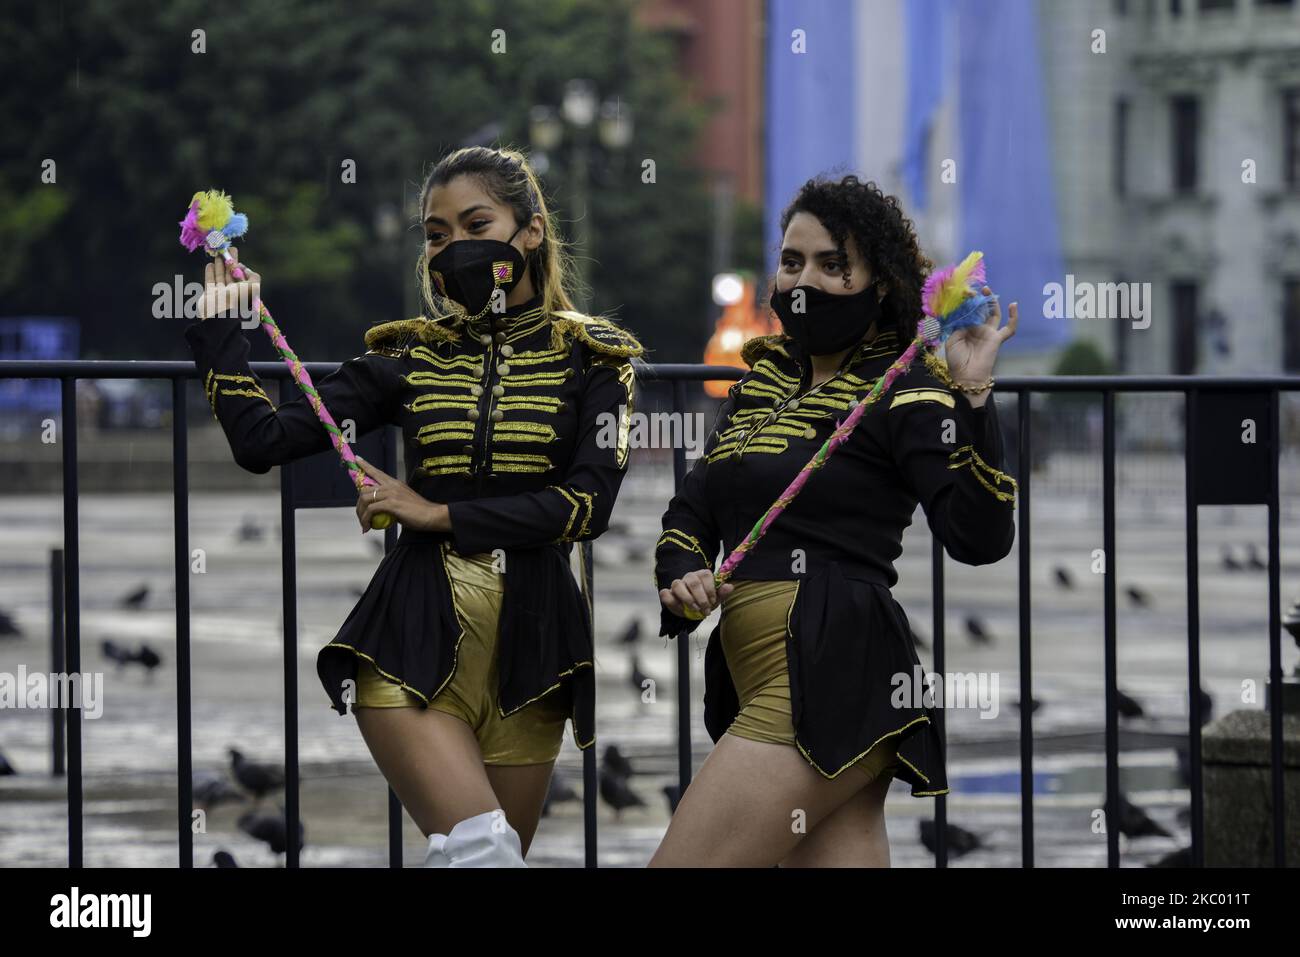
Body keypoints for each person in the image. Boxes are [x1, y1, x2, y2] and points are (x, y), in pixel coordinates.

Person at [187, 145, 641, 866]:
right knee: (482, 851)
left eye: (475, 223)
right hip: (413, 628)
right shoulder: (407, 357)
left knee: (491, 862)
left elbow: (589, 504)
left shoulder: (595, 359)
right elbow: (264, 439)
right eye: (436, 234)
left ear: (529, 230)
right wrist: (219, 330)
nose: (453, 246)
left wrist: (439, 513)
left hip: (538, 641)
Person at [650, 174, 1018, 867]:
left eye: (831, 264)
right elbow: (694, 505)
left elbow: (980, 536)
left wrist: (971, 396)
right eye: (792, 261)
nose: (804, 280)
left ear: (880, 284)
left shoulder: (905, 386)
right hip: (759, 667)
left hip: (827, 664)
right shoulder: (761, 380)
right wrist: (683, 572)